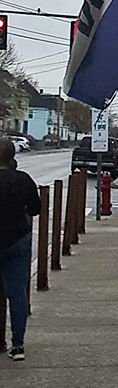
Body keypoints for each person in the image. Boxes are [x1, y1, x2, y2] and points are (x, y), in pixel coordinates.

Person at [0, 137, 41, 361]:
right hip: (17, 240)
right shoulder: (23, 180)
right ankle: (18, 345)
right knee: (17, 293)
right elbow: (36, 209)